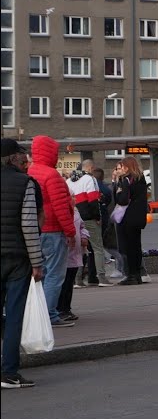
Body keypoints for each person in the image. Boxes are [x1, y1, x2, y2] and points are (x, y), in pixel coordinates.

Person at [1, 138, 45, 388]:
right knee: (15, 313)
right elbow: (30, 224)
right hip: (17, 258)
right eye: (21, 154)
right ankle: (8, 372)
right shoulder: (26, 183)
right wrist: (37, 262)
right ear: (13, 158)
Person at [27, 135, 76, 328]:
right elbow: (60, 207)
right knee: (55, 274)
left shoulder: (30, 171)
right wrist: (70, 232)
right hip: (54, 230)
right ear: (50, 152)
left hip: (35, 230)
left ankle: (37, 313)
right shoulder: (51, 175)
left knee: (40, 274)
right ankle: (49, 315)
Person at [69, 159, 110, 286]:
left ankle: (78, 280)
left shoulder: (69, 180)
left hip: (75, 217)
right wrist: (97, 217)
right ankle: (102, 278)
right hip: (88, 218)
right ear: (91, 168)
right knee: (97, 248)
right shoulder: (89, 179)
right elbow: (93, 200)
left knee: (79, 249)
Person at [112, 156, 150, 285]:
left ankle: (131, 275)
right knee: (136, 246)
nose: (120, 169)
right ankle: (137, 274)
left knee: (127, 247)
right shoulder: (140, 179)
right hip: (138, 217)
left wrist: (117, 187)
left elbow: (122, 200)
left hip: (128, 218)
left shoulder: (126, 180)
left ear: (127, 167)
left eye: (121, 167)